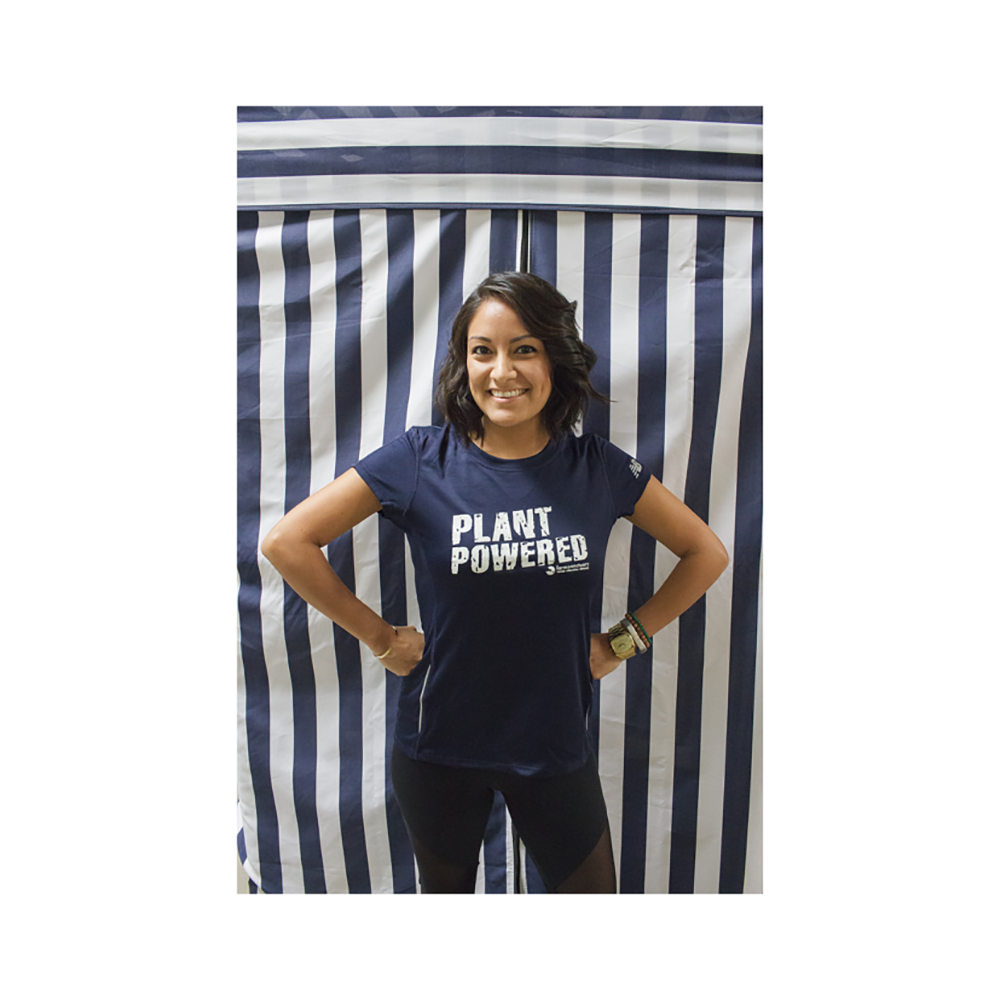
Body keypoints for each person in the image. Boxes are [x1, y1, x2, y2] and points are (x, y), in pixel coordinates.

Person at [261, 272, 729, 893]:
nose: (502, 371)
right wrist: (380, 638)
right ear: (465, 363)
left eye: (524, 349)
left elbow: (705, 553)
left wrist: (624, 640)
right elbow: (288, 542)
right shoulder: (420, 460)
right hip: (438, 750)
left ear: (555, 359)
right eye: (483, 351)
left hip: (554, 748)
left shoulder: (598, 469)